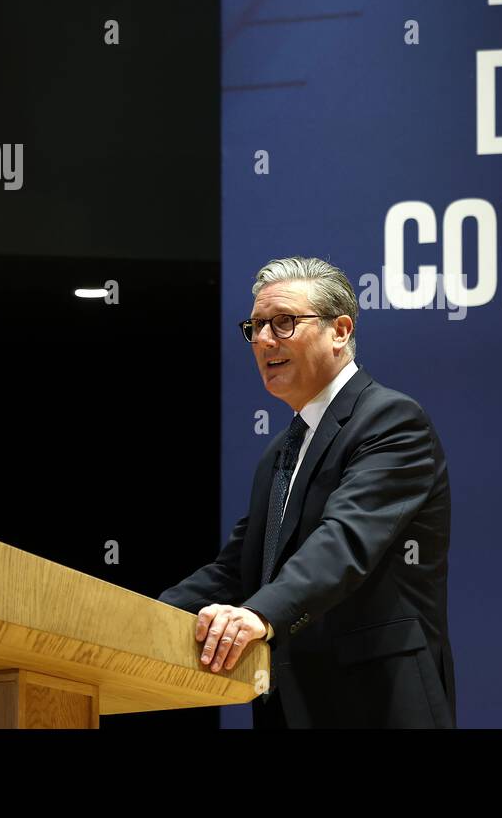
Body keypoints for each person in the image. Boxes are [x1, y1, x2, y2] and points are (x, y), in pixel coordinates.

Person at [159, 256, 455, 728]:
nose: (263, 340)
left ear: (340, 330)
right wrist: (144, 617)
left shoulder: (391, 421)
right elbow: (237, 569)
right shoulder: (282, 448)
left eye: (283, 322)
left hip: (377, 703)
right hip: (289, 706)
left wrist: (259, 614)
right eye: (256, 326)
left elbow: (344, 542)